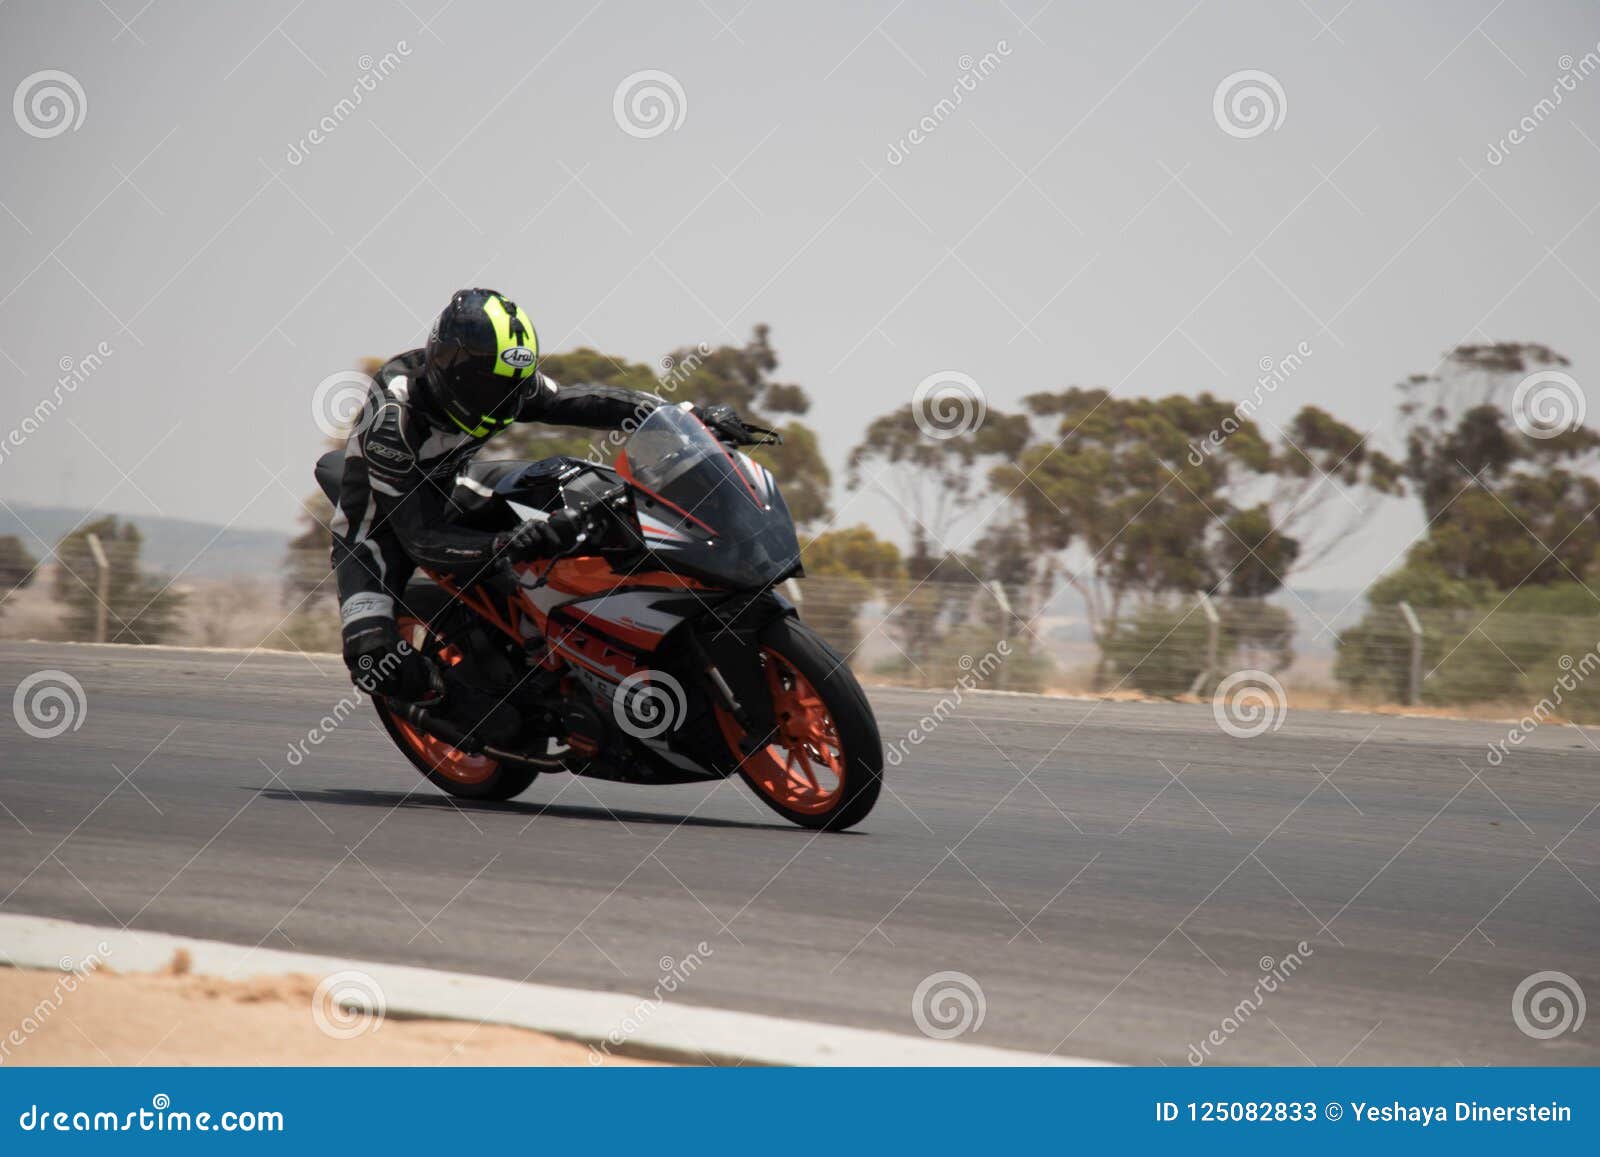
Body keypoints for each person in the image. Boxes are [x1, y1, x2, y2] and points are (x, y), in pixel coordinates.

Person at [327, 287, 758, 748]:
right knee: (372, 659)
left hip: (450, 488)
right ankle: (445, 699)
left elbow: (581, 401)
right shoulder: (395, 420)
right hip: (377, 532)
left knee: (571, 487)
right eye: (487, 387)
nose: (500, 400)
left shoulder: (502, 383)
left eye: (511, 387)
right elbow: (419, 538)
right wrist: (503, 544)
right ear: (446, 365)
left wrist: (682, 415)